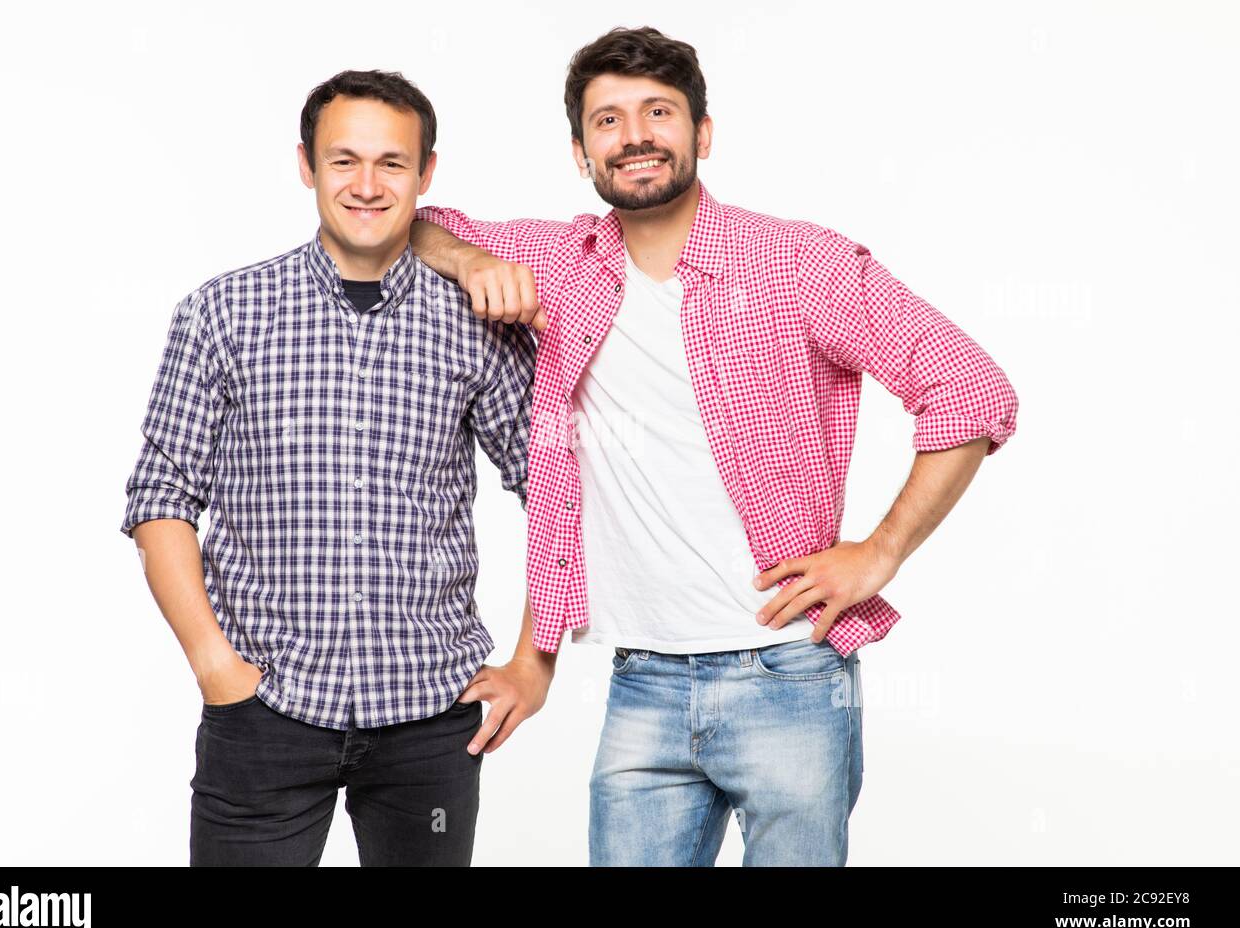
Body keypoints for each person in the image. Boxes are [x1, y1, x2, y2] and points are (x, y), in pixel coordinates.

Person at [407, 26, 1020, 866]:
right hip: (641, 685)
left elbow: (973, 390)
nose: (635, 137)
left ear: (702, 132)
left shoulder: (796, 262)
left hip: (788, 678)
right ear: (581, 152)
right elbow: (413, 223)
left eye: (658, 112)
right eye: (608, 121)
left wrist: (879, 553)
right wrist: (477, 261)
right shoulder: (564, 262)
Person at [120, 69, 554, 866]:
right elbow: (161, 495)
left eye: (392, 163)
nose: (366, 184)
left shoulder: (476, 322)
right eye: (343, 159)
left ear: (426, 174)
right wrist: (217, 667)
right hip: (264, 712)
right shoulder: (224, 313)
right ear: (306, 164)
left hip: (429, 719)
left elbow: (558, 492)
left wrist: (533, 664)